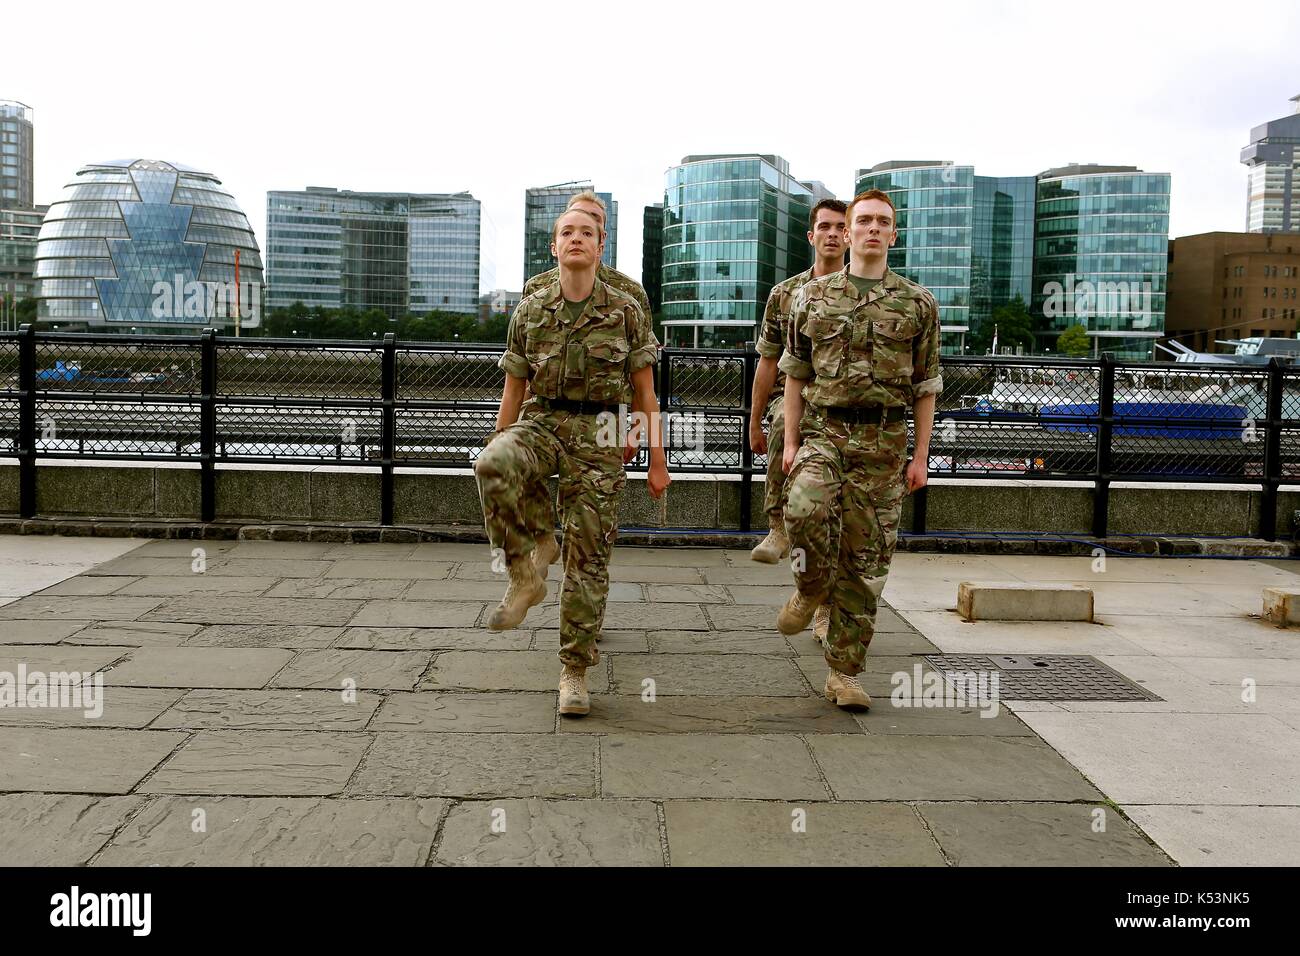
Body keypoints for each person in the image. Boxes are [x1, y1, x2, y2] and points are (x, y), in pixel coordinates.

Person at [476, 207, 670, 717]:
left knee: (589, 557)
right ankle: (525, 573)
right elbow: (513, 390)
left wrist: (656, 459)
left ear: (600, 246)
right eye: (567, 233)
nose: (576, 239)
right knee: (490, 465)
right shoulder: (531, 312)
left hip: (601, 431)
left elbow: (647, 394)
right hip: (542, 421)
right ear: (554, 247)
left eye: (586, 233)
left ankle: (574, 671)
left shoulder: (625, 310)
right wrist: (500, 445)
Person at [775, 189, 941, 710]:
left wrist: (920, 457)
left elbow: (926, 384)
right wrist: (791, 440)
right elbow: (795, 374)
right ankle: (809, 585)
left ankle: (843, 675)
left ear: (893, 234)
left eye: (882, 222)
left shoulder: (917, 304)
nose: (872, 229)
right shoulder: (812, 298)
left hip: (884, 445)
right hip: (825, 433)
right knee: (802, 506)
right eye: (862, 220)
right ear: (845, 233)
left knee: (866, 566)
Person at [521, 189, 653, 566]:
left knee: (591, 527)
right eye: (570, 226)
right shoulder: (537, 291)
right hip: (546, 412)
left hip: (604, 417)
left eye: (590, 225)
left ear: (601, 238)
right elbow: (525, 368)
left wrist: (636, 430)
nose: (578, 234)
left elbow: (643, 374)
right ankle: (542, 537)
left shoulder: (628, 295)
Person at [749, 198, 847, 640]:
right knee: (778, 434)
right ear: (811, 236)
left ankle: (826, 607)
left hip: (847, 418)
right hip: (796, 403)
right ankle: (776, 526)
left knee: (838, 518)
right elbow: (769, 364)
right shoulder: (785, 294)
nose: (832, 234)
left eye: (840, 227)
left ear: (850, 236)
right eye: (823, 226)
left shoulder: (866, 293)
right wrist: (754, 421)